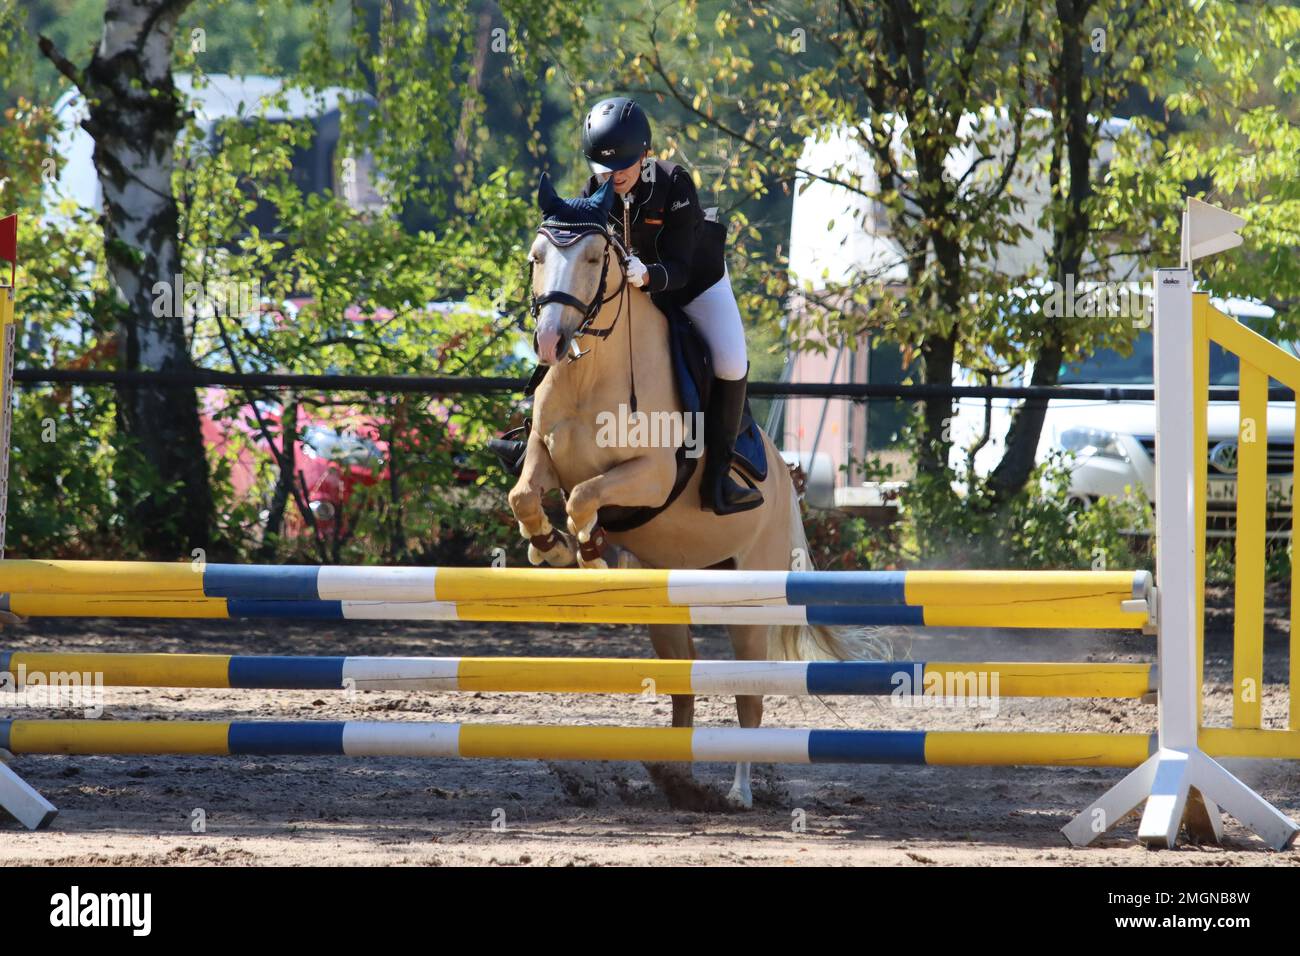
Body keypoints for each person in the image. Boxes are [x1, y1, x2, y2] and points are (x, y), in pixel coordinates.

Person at [578, 96, 762, 515]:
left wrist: (647, 276)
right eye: (603, 167)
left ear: (644, 154)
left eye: (623, 165)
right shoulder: (595, 190)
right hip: (638, 295)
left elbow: (678, 267)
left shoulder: (675, 183)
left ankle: (720, 475)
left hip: (695, 285)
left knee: (731, 362)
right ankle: (534, 432)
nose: (613, 176)